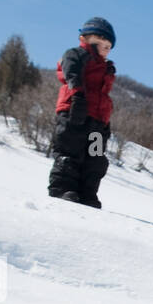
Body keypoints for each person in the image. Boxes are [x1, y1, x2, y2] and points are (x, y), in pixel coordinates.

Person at [47, 17, 117, 208]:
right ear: (88, 39)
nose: (106, 49)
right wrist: (77, 96)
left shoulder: (106, 68)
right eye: (103, 44)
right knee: (71, 151)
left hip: (97, 123)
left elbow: (103, 96)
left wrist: (105, 123)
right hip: (75, 114)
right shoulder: (77, 54)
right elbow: (70, 72)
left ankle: (87, 194)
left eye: (109, 47)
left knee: (95, 159)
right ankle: (62, 189)